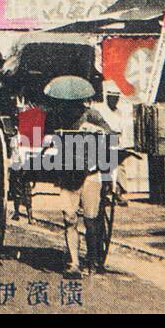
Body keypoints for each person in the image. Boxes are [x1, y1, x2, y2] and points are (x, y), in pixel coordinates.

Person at [47, 89, 114, 279]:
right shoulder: (58, 116)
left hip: (91, 173)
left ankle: (92, 258)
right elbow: (45, 137)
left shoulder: (92, 115)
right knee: (69, 218)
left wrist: (95, 130)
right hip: (68, 174)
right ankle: (74, 263)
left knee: (91, 220)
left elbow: (109, 133)